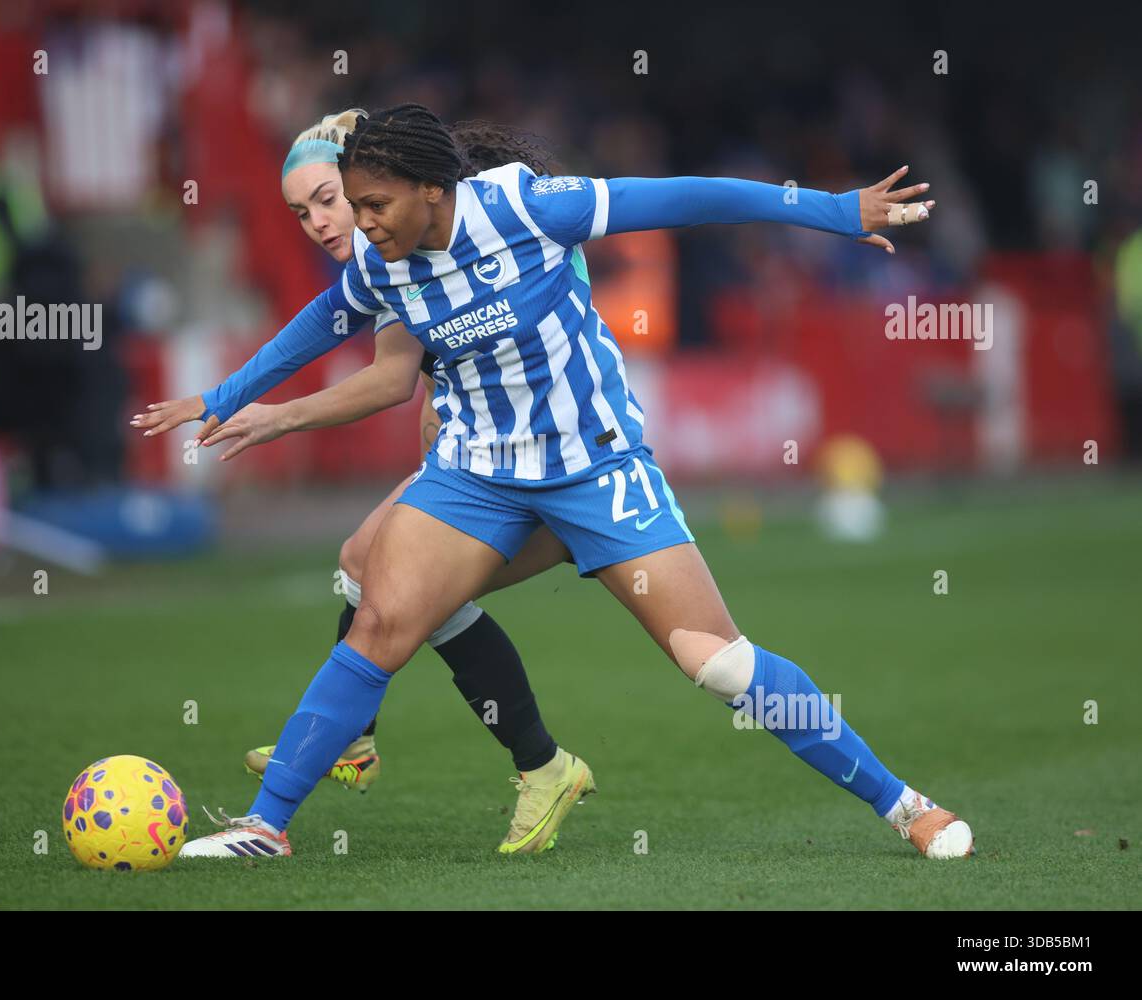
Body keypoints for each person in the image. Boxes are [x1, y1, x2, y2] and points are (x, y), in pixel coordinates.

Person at [136, 103, 971, 862]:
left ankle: (906, 806)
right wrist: (223, 397)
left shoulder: (527, 208)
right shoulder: (379, 260)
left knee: (718, 664)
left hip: (596, 469)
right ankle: (265, 827)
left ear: (432, 190)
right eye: (350, 206)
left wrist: (834, 212)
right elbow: (319, 325)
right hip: (478, 475)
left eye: (373, 205)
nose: (361, 223)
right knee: (379, 614)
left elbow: (688, 199)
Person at [188, 110, 590, 854]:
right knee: (385, 577)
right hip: (491, 459)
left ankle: (375, 750)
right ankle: (507, 760)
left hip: (549, 460)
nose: (319, 221)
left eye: (329, 200)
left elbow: (390, 380)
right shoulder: (397, 256)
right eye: (301, 211)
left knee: (389, 578)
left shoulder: (416, 249)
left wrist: (277, 416)